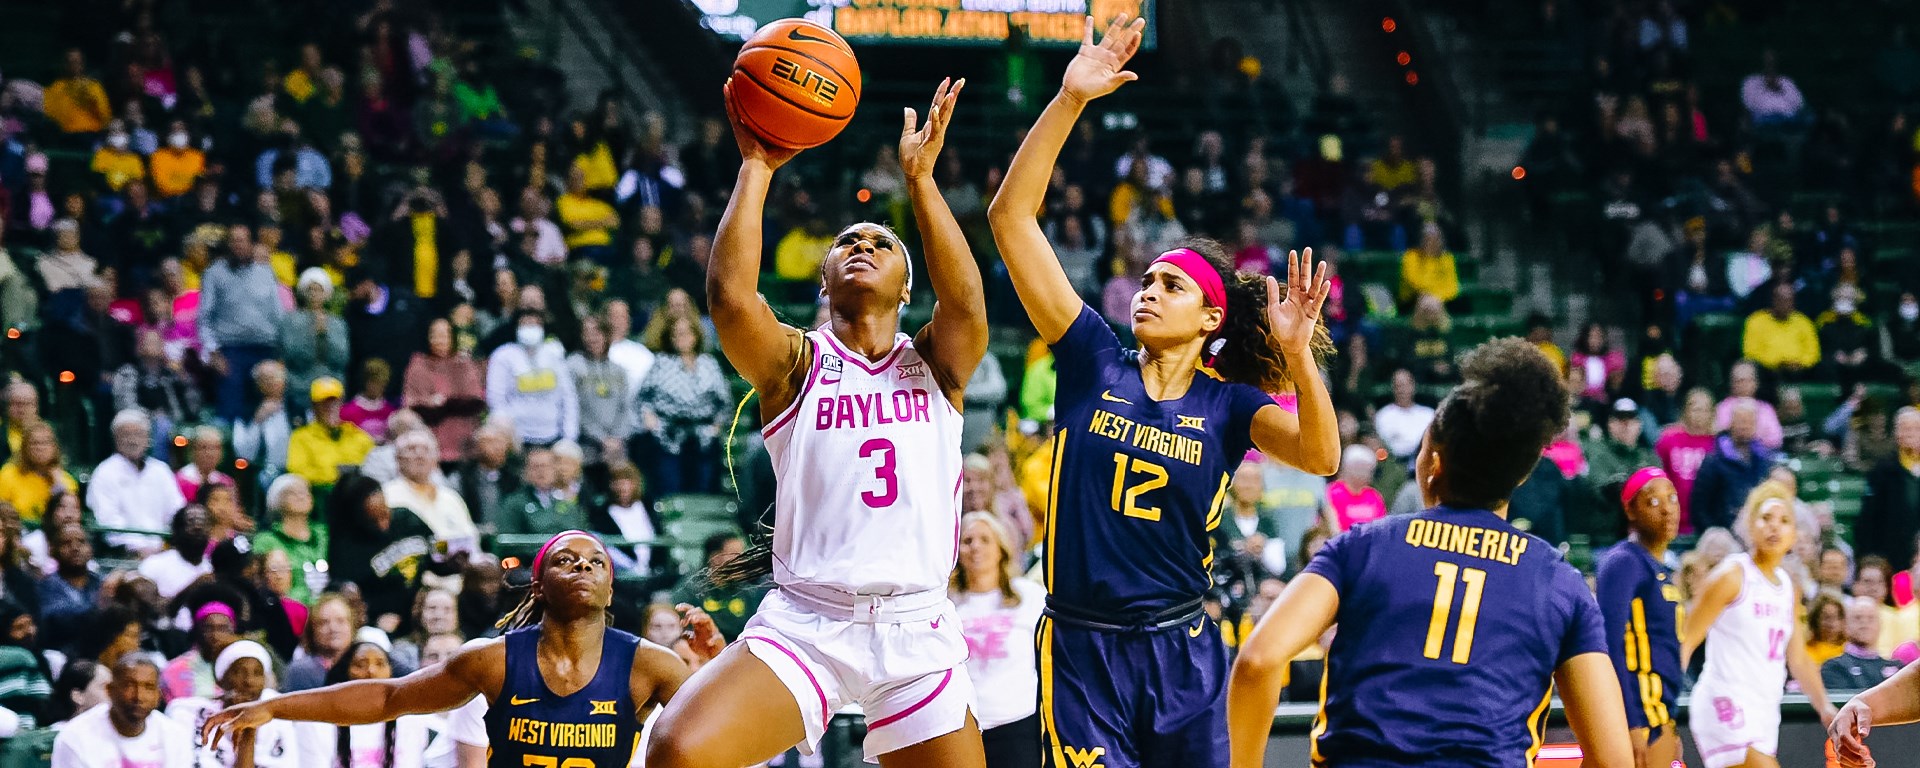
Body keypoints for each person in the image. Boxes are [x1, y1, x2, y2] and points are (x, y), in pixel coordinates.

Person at [987, 19, 1339, 768]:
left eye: (1170, 285)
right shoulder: (1092, 360)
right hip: (1083, 650)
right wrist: (1067, 100)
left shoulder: (1230, 406)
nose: (1148, 292)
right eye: (1146, 281)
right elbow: (1010, 219)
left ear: (1211, 317)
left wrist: (1297, 354)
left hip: (1182, 646)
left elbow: (1322, 455)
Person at [648, 78, 989, 768]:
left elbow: (969, 301)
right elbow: (728, 298)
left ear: (907, 287)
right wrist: (757, 166)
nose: (862, 244)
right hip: (808, 621)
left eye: (881, 243)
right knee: (677, 751)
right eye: (848, 241)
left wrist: (919, 181)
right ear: (823, 281)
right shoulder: (796, 364)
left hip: (915, 626)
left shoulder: (936, 363)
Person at [1226, 338, 1631, 768]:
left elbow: (1257, 661)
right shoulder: (1560, 582)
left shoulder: (1362, 546)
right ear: (1523, 474)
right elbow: (1614, 760)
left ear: (1432, 461)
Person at [202, 531, 722, 766]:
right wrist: (274, 706)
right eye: (567, 559)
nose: (584, 566)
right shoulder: (491, 660)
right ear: (537, 585)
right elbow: (388, 699)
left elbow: (728, 741)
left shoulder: (652, 665)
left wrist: (721, 665)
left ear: (611, 589)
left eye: (597, 562)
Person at [1683, 481, 1836, 768]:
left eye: (1784, 521)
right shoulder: (1731, 575)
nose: (1774, 527)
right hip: (1725, 703)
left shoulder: (1789, 588)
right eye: (1766, 518)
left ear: (1794, 535)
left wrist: (1824, 706)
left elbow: (1799, 658)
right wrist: (1663, 702)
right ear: (1750, 526)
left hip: (1763, 711)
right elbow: (1687, 638)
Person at [1596, 468, 1683, 768]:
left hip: (1659, 712)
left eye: (1671, 498)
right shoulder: (1624, 562)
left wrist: (1668, 725)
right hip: (1640, 713)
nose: (1667, 508)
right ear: (1629, 509)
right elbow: (1608, 644)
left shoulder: (1661, 569)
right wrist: (1631, 722)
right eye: (1653, 501)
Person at [950, 513, 1044, 768]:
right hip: (962, 729)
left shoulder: (1030, 597)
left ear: (1001, 548)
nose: (976, 547)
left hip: (1018, 725)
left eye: (985, 539)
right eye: (967, 540)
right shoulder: (945, 605)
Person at [166, 639, 299, 767]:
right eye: (239, 672)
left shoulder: (278, 717)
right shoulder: (191, 713)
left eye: (257, 673)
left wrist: (248, 726)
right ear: (221, 679)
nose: (249, 681)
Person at [50, 655, 194, 768]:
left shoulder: (175, 736)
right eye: (128, 686)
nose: (138, 696)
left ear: (159, 696)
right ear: (110, 690)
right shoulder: (74, 737)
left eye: (148, 687)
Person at [88, 409, 188, 554]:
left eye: (138, 434)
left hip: (165, 550)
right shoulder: (104, 473)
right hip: (122, 555)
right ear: (116, 439)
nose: (133, 440)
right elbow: (108, 520)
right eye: (126, 434)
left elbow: (177, 512)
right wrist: (139, 549)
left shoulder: (161, 470)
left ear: (148, 439)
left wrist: (168, 545)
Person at [485, 309, 576, 448]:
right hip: (517, 437)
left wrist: (569, 437)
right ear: (517, 328)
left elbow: (568, 397)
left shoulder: (553, 354)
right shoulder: (503, 355)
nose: (530, 329)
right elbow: (496, 399)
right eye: (525, 325)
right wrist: (508, 434)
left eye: (535, 325)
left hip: (553, 435)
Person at [1857, 407, 1920, 569]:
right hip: (1895, 558)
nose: (1910, 433)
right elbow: (1869, 519)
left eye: (1915, 428)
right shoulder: (1882, 471)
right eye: (1905, 428)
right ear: (1896, 433)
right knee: (1903, 594)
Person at [254, 474, 328, 603]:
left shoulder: (324, 535)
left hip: (326, 608)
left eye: (305, 492)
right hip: (286, 608)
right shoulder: (266, 541)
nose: (301, 496)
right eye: (292, 493)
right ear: (276, 500)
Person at [0, 422, 76, 523]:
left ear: (55, 447)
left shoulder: (66, 481)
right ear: (25, 447)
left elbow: (68, 516)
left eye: (45, 443)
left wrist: (58, 484)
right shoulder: (8, 474)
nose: (40, 448)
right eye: (34, 443)